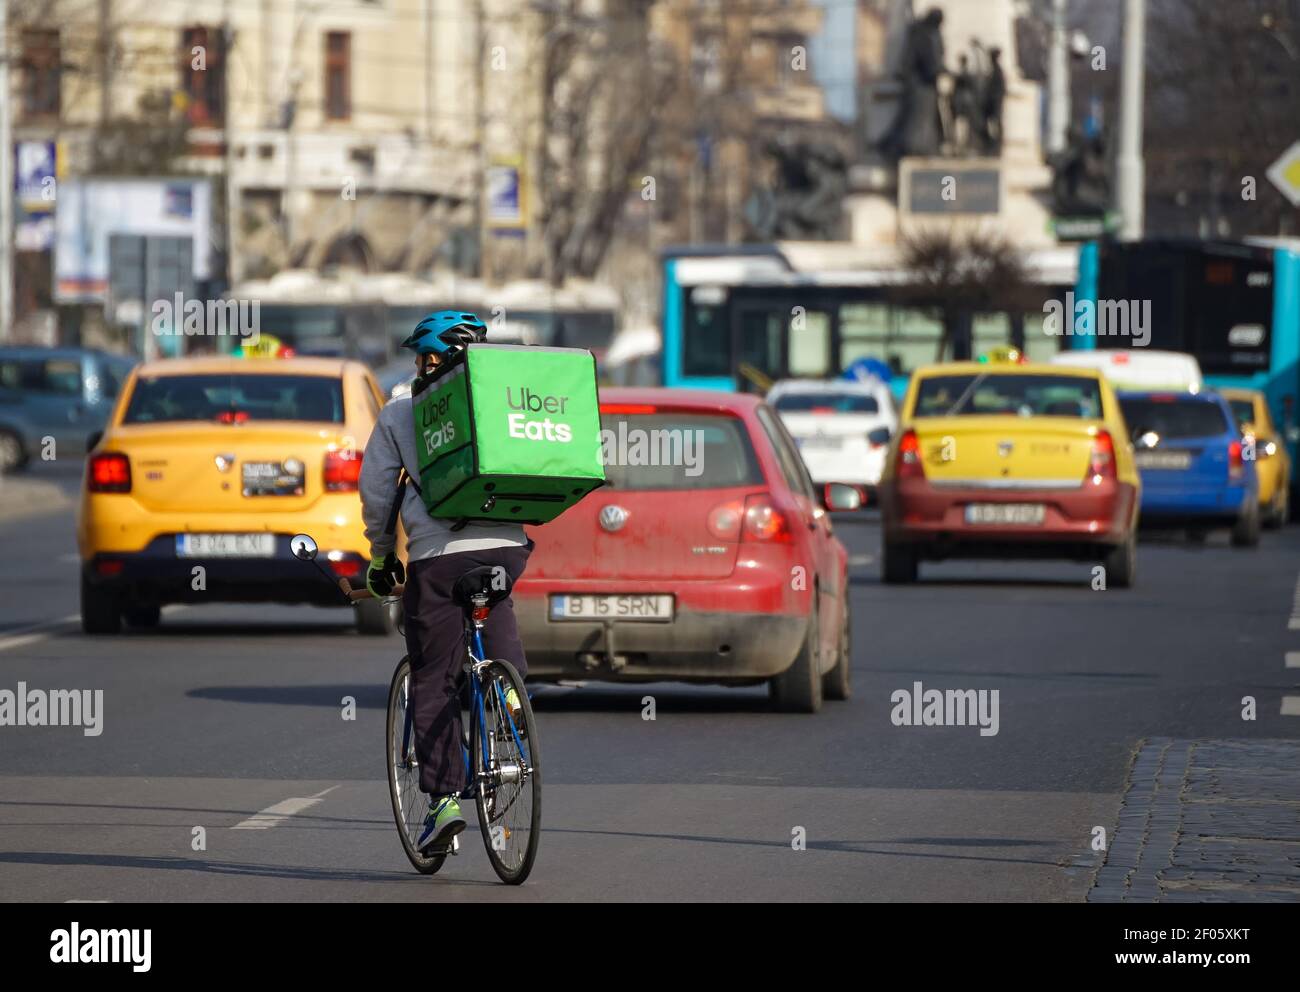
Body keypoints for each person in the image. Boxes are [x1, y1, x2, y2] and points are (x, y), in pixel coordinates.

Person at [359, 310, 532, 854]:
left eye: (421, 358)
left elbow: (379, 493)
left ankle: (442, 804)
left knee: (433, 675)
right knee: (493, 606)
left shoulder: (401, 412)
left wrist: (381, 553)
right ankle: (509, 693)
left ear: (432, 361)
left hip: (438, 556)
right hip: (507, 547)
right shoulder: (502, 398)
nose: (416, 366)